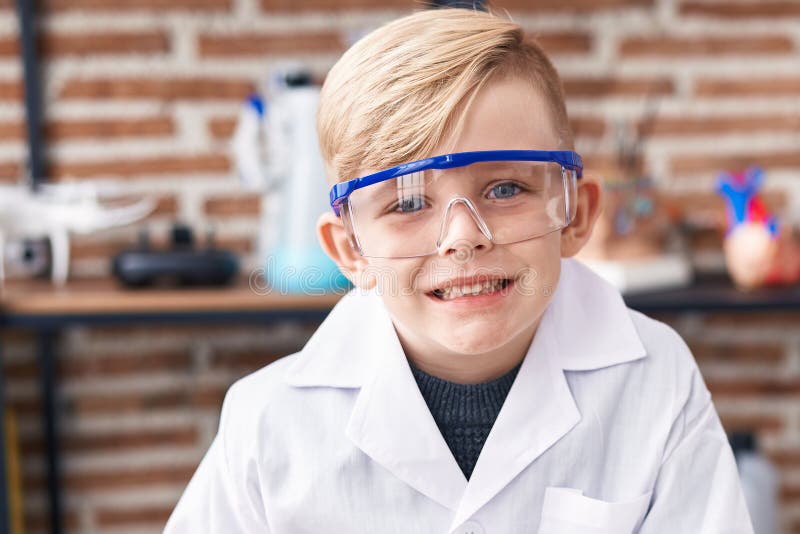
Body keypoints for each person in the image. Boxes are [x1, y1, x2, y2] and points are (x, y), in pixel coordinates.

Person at [165, 7, 754, 534]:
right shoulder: (267, 424)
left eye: (505, 188)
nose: (464, 236)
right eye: (408, 202)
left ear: (577, 216)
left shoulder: (657, 381)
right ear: (350, 252)